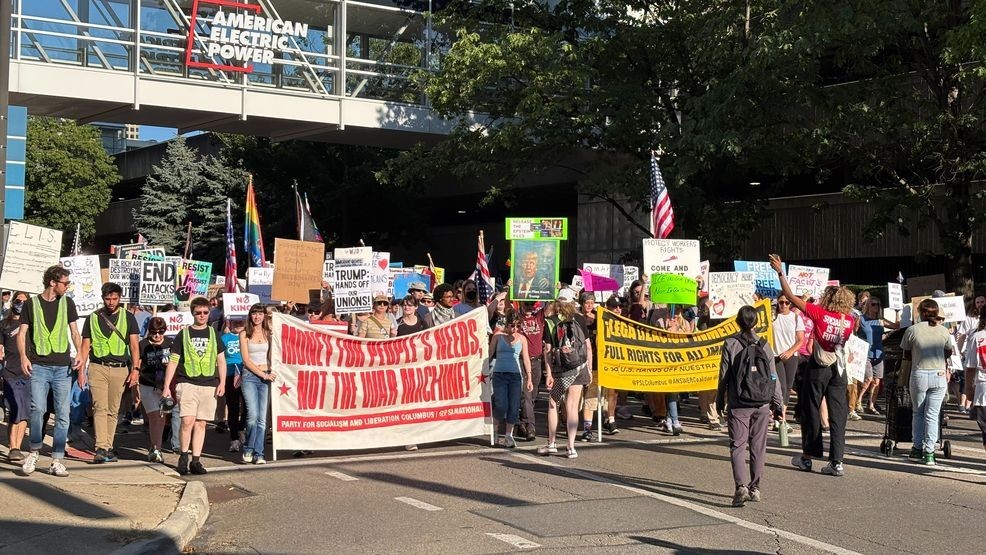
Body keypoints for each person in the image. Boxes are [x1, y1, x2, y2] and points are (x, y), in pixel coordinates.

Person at [770, 254, 854, 477]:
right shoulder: (850, 320)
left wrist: (780, 272)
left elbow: (789, 295)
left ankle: (808, 456)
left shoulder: (820, 313)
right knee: (838, 415)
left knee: (810, 409)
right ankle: (837, 462)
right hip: (840, 368)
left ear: (828, 299)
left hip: (819, 367)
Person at [18, 265, 83, 477]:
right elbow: (22, 334)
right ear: (52, 283)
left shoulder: (68, 302)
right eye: (65, 283)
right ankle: (34, 450)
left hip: (62, 366)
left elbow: (74, 331)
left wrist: (81, 352)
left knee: (63, 414)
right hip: (39, 365)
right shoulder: (31, 304)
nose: (68, 287)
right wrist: (23, 357)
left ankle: (56, 459)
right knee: (37, 409)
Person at [717, 306, 782, 506]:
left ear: (737, 321)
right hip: (761, 402)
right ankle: (755, 488)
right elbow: (773, 376)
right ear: (756, 322)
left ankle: (741, 487)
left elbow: (724, 375)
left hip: (739, 402)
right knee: (758, 446)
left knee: (737, 445)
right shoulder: (765, 344)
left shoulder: (730, 343)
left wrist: (721, 399)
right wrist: (778, 402)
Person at [162, 296, 226, 475]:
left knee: (201, 423)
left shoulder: (214, 333)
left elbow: (221, 360)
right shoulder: (184, 333)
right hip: (187, 381)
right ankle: (183, 456)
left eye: (206, 312)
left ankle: (196, 460)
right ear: (192, 313)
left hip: (209, 384)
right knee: (187, 421)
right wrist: (167, 386)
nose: (202, 315)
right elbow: (173, 361)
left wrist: (222, 382)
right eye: (198, 313)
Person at [79, 282, 141, 463]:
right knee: (100, 407)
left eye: (114, 299)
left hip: (120, 369)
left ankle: (108, 446)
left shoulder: (128, 317)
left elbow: (134, 346)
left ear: (120, 298)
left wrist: (135, 370)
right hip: (98, 366)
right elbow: (85, 346)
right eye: (108, 299)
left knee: (113, 410)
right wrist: (81, 370)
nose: (111, 302)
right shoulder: (92, 318)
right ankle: (101, 447)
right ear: (103, 298)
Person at [538, 289, 591, 459]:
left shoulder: (551, 321)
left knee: (554, 403)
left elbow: (547, 350)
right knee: (572, 406)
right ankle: (571, 446)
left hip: (560, 369)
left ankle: (552, 443)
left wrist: (548, 373)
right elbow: (588, 346)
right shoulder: (581, 319)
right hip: (579, 367)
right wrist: (588, 367)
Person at [900, 299, 951, 465]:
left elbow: (906, 353)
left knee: (918, 412)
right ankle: (930, 452)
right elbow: (948, 352)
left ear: (920, 313)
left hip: (919, 373)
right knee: (932, 415)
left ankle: (916, 448)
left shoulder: (912, 330)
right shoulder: (944, 331)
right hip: (938, 374)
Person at [489, 310, 533, 448]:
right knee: (501, 405)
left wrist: (529, 377)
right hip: (499, 374)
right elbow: (489, 354)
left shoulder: (522, 339)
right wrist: (482, 370)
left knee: (514, 407)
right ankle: (495, 430)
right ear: (506, 324)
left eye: (517, 326)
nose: (514, 329)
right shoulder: (498, 336)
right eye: (512, 325)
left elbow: (526, 358)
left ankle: (509, 435)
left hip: (515, 376)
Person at [239, 304, 274, 464]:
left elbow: (274, 354)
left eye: (260, 314)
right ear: (250, 315)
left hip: (266, 375)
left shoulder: (269, 333)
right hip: (250, 376)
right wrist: (262, 375)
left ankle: (259, 453)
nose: (257, 317)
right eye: (254, 314)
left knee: (262, 418)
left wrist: (268, 374)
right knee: (252, 416)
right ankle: (248, 448)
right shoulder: (244, 333)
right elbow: (246, 360)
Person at [136, 317, 172, 462]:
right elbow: (137, 365)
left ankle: (155, 446)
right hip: (147, 383)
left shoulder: (170, 343)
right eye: (153, 332)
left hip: (166, 385)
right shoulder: (143, 344)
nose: (157, 335)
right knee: (155, 416)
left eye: (161, 332)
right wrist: (135, 388)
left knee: (162, 417)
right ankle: (156, 448)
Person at [1, 292, 30, 463]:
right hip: (10, 372)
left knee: (25, 411)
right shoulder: (4, 324)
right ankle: (13, 447)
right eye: (18, 301)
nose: (21, 304)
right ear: (13, 302)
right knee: (15, 409)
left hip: (27, 372)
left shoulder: (31, 325)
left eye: (25, 302)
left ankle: (17, 446)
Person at [857, 295, 896, 415]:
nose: (876, 307)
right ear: (868, 305)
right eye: (873, 304)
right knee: (868, 379)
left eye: (878, 304)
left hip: (878, 353)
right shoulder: (861, 319)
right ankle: (857, 401)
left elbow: (896, 326)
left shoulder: (880, 320)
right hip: (865, 353)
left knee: (877, 381)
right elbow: (853, 332)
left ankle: (871, 404)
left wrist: (897, 311)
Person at [772, 294, 805, 429]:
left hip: (791, 356)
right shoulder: (773, 317)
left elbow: (800, 339)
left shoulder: (796, 318)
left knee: (788, 387)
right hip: (776, 355)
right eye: (781, 302)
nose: (784, 305)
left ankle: (781, 417)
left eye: (786, 302)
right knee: (780, 387)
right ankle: (778, 417)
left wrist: (790, 352)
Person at [516, 301, 547, 441]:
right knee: (526, 395)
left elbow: (551, 304)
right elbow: (508, 305)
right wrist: (511, 289)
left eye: (531, 305)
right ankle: (531, 427)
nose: (529, 307)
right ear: (521, 304)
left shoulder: (539, 316)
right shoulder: (519, 318)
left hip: (537, 361)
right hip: (523, 361)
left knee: (532, 396)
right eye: (526, 304)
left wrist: (555, 290)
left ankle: (521, 424)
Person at [221, 318, 246, 453]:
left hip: (247, 374)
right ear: (230, 323)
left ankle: (241, 427)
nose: (238, 325)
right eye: (235, 322)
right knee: (233, 407)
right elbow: (220, 358)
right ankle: (234, 438)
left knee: (248, 407)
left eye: (241, 322)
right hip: (230, 375)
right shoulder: (225, 338)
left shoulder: (248, 336)